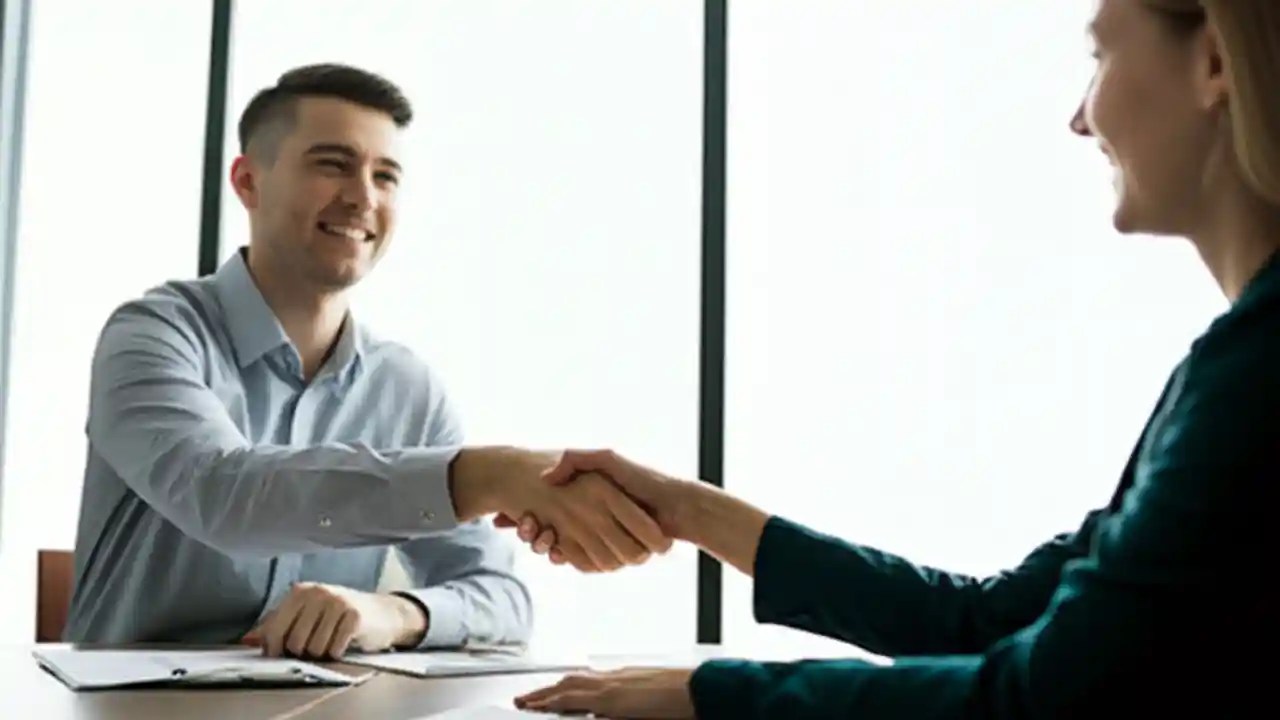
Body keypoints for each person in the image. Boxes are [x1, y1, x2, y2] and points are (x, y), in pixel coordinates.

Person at [506, 0, 1278, 716]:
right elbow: (991, 620)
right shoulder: (1235, 359)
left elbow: (1043, 695)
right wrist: (691, 512)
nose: (1081, 119)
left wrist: (716, 692)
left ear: (1214, 61)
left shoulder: (1256, 368)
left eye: (1100, 58)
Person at [63, 63, 669, 660]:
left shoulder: (407, 389)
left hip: (322, 705)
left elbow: (502, 599)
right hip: (136, 702)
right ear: (248, 182)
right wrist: (486, 476)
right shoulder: (153, 335)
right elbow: (221, 493)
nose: (362, 197)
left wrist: (396, 613)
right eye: (333, 165)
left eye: (386, 176)